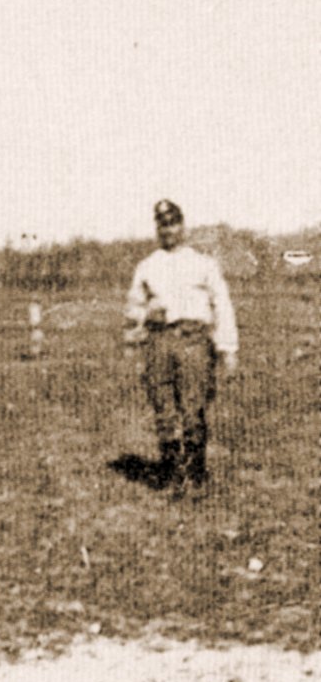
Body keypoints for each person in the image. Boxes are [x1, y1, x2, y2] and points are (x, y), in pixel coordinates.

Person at [123, 200, 238, 491]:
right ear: (157, 228)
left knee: (192, 409)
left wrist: (228, 347)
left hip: (193, 341)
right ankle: (172, 475)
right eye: (163, 224)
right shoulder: (147, 266)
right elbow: (133, 309)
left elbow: (222, 305)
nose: (169, 230)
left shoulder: (203, 263)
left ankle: (196, 475)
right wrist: (145, 317)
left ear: (183, 226)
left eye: (174, 223)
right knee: (163, 409)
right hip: (159, 341)